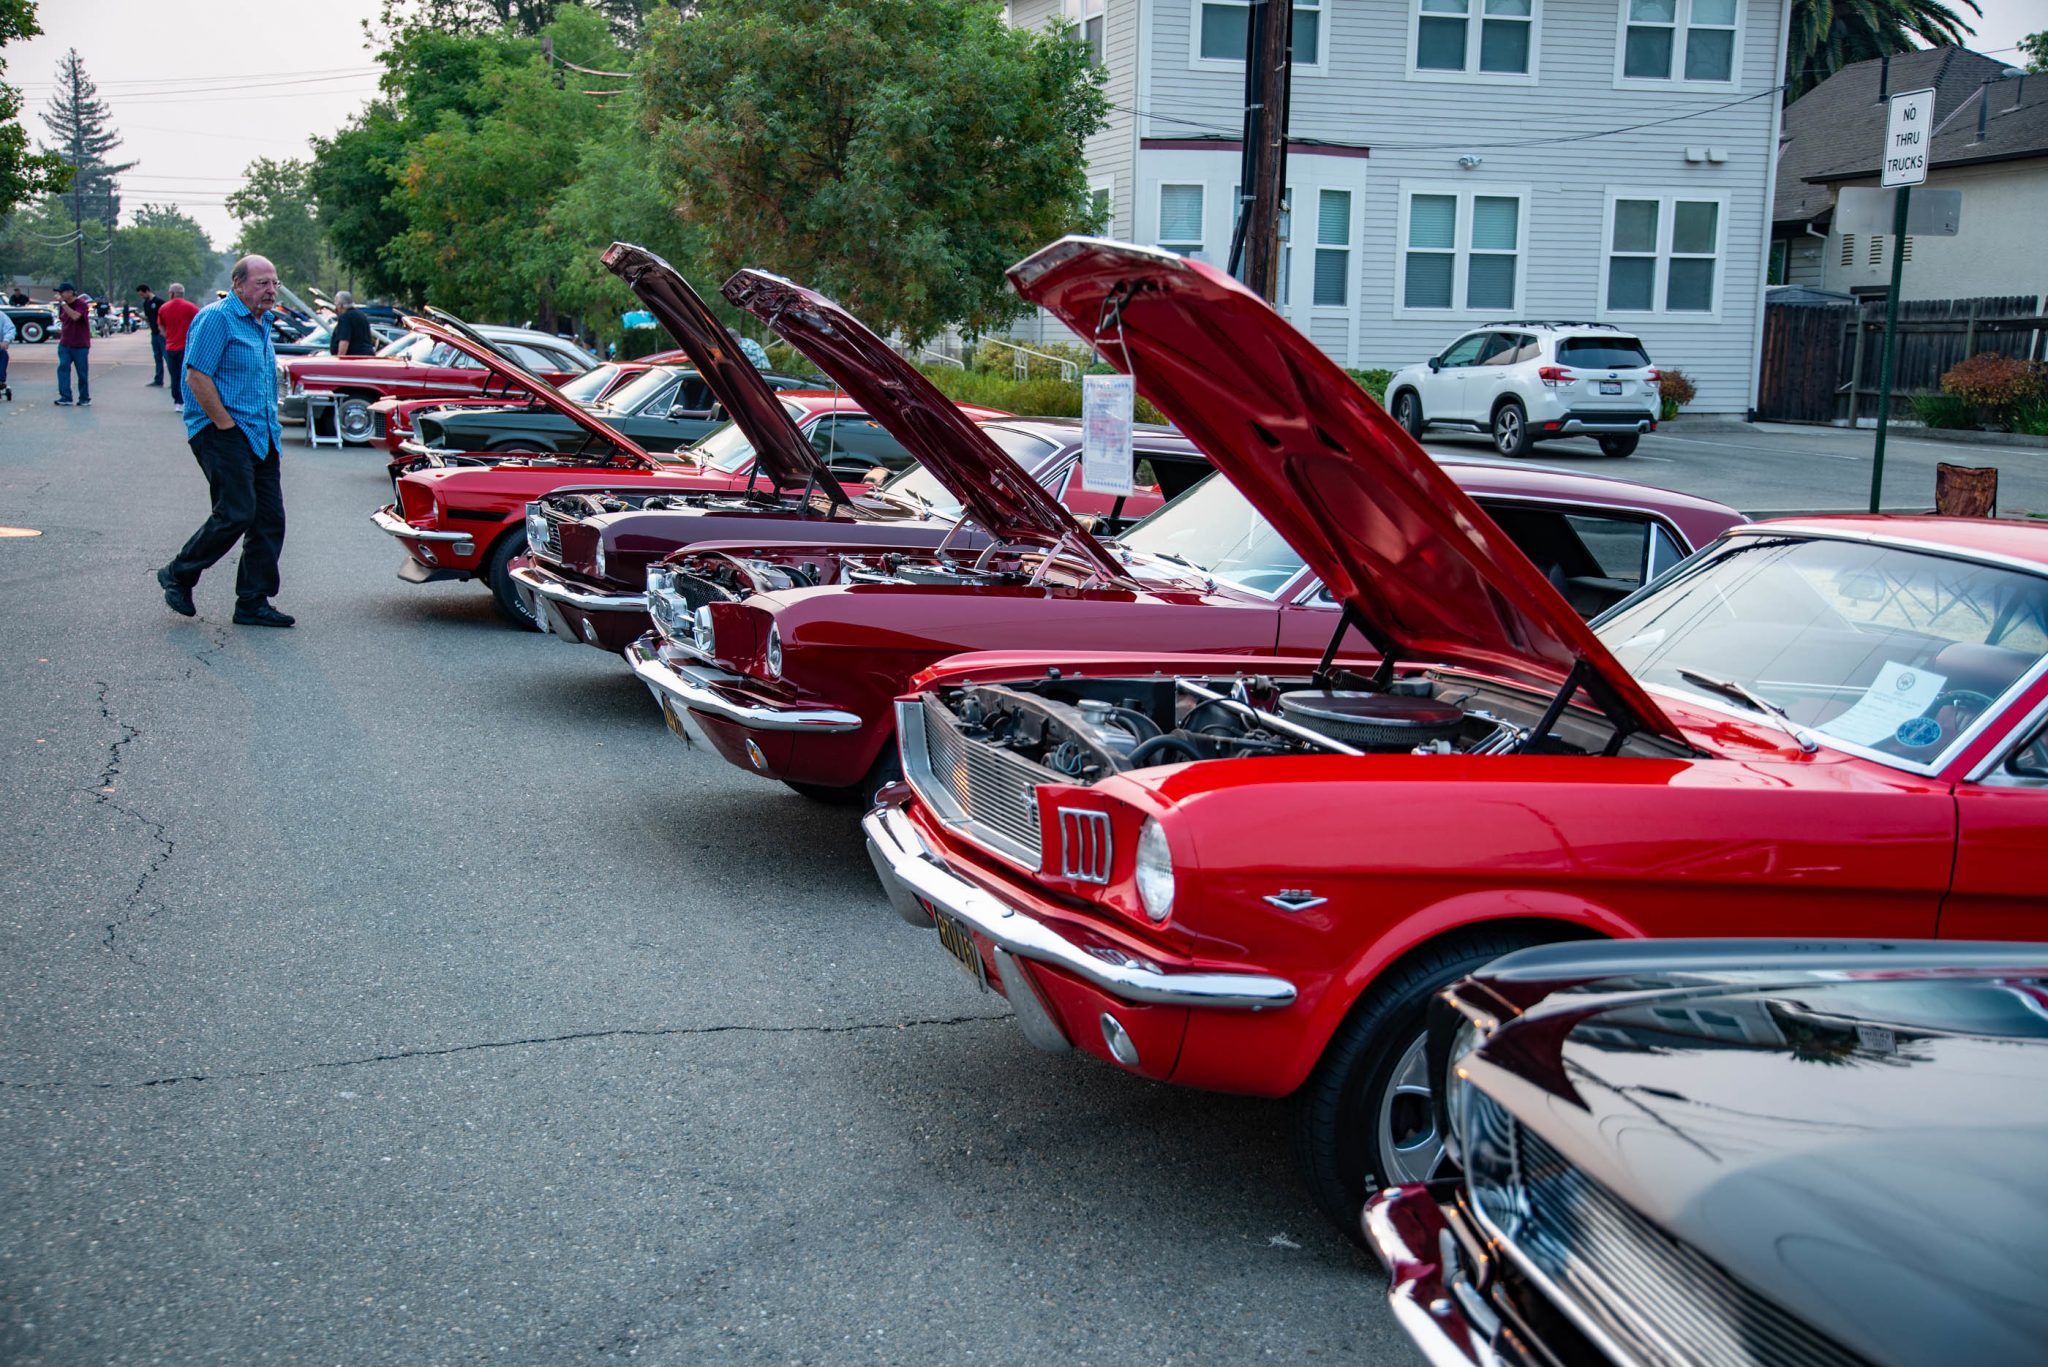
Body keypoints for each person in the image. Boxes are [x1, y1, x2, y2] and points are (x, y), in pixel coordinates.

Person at [157, 256, 293, 628]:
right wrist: (225, 425)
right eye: (262, 283)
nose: (270, 291)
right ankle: (178, 574)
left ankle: (252, 601)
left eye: (274, 283)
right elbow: (197, 375)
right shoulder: (217, 317)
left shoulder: (261, 321)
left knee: (269, 519)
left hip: (262, 433)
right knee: (236, 511)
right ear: (238, 284)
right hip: (222, 431)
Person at [158, 283, 198, 410]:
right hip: (186, 347)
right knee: (186, 375)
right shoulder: (191, 308)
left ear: (172, 293)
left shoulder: (163, 308)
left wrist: (168, 337)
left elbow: (161, 327)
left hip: (170, 347)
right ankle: (186, 400)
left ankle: (177, 402)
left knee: (174, 375)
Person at [53, 282, 92, 406]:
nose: (59, 295)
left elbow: (75, 316)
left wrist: (63, 304)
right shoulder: (62, 306)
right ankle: (66, 396)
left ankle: (84, 398)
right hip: (65, 343)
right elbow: (64, 320)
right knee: (63, 368)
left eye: (62, 292)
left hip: (80, 344)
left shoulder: (81, 304)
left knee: (82, 372)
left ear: (70, 292)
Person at [328, 290, 374, 357]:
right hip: (366, 357)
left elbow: (344, 341)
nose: (336, 308)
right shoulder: (361, 315)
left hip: (353, 359)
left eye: (336, 305)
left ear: (340, 306)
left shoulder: (345, 318)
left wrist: (339, 359)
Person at [136, 284, 166, 385]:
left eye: (142, 294)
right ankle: (158, 379)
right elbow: (149, 318)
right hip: (154, 333)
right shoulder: (146, 304)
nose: (142, 297)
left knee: (167, 357)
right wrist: (139, 316)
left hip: (162, 333)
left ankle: (175, 380)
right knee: (157, 357)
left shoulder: (159, 302)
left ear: (147, 291)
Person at [0, 307, 13, 401]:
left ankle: (1, 380)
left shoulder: (1, 316)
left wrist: (6, 340)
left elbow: (10, 329)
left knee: (3, 356)